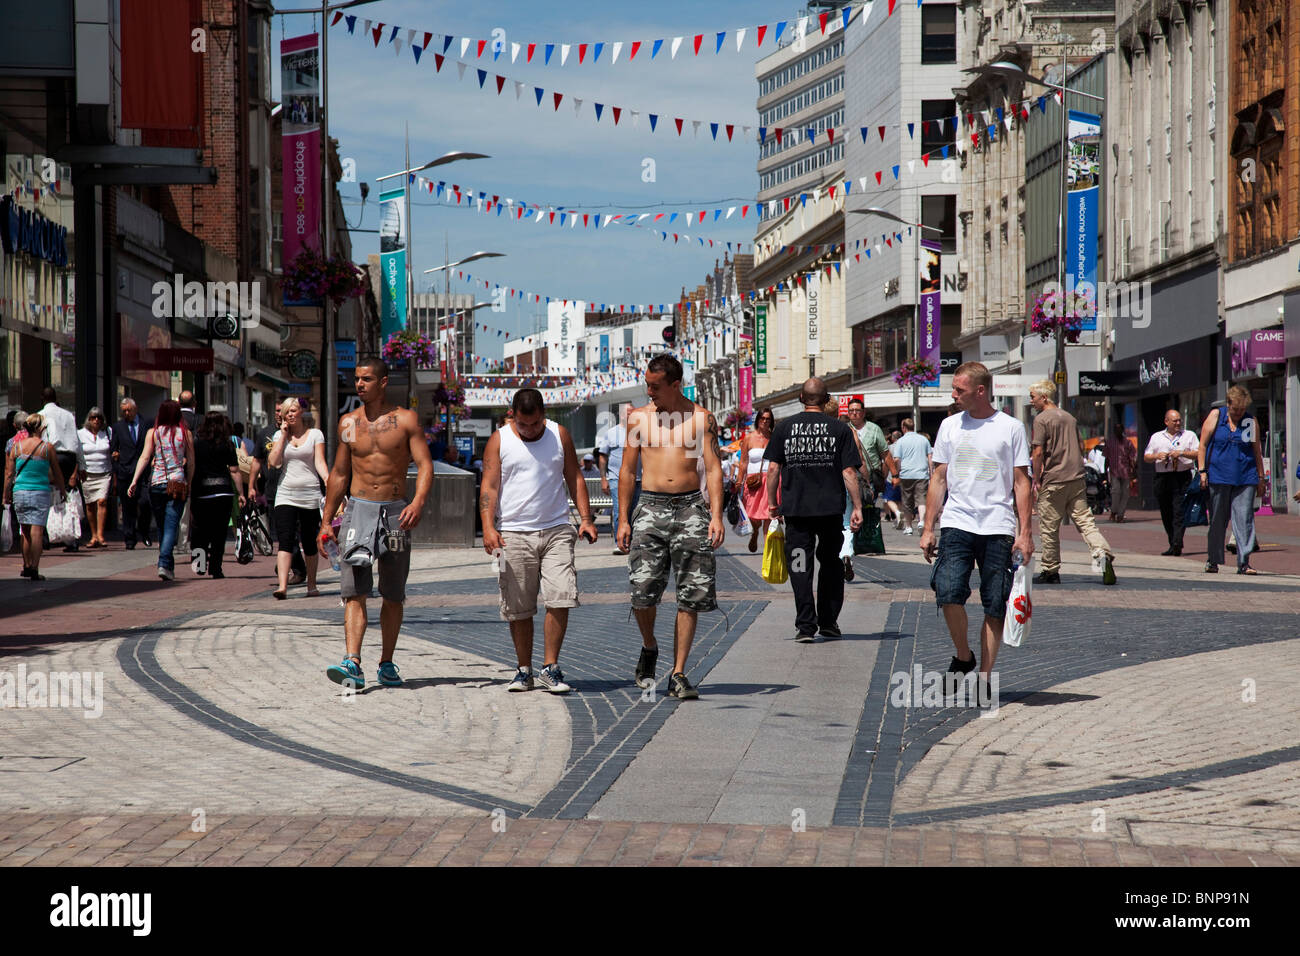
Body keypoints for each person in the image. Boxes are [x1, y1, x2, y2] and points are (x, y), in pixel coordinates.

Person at [919, 363, 1033, 700]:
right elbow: (939, 478)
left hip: (998, 525)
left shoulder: (1011, 428)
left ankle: (985, 678)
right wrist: (928, 527)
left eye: (959, 390)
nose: (953, 395)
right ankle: (964, 655)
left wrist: (1025, 533)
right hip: (957, 521)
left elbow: (1022, 482)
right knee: (948, 590)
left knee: (994, 602)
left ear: (980, 391)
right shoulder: (949, 426)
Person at [319, 359, 435, 689]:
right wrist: (327, 522)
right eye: (357, 379)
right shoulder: (349, 423)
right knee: (354, 590)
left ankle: (386, 662)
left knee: (393, 593)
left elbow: (425, 465)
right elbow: (339, 475)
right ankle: (353, 661)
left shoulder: (405, 420)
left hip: (396, 513)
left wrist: (417, 502)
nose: (360, 384)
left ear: (383, 382)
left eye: (367, 379)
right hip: (357, 513)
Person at [618, 354, 725, 699]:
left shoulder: (700, 419)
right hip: (650, 506)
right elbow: (627, 471)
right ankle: (650, 645)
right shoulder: (639, 419)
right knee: (642, 589)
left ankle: (678, 672)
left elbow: (712, 469)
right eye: (647, 384)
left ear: (676, 385)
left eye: (655, 386)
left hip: (691, 506)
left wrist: (717, 515)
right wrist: (623, 518)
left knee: (692, 591)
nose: (649, 392)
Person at [479, 388, 598, 694]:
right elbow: (489, 486)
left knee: (561, 595)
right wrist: (488, 528)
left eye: (535, 424)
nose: (530, 430)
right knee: (518, 606)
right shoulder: (499, 439)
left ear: (545, 416)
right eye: (523, 425)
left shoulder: (559, 435)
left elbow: (574, 476)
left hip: (557, 529)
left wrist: (585, 519)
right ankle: (523, 670)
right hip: (512, 534)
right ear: (513, 416)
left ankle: (550, 667)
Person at [763, 378, 863, 642]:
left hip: (796, 512)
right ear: (826, 398)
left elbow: (773, 469)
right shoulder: (839, 429)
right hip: (830, 511)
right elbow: (849, 471)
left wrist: (772, 502)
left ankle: (805, 626)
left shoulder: (784, 428)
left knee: (799, 567)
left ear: (800, 397)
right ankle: (828, 622)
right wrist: (858, 506)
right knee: (830, 564)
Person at [1028, 380, 1115, 585]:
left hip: (1054, 479)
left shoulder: (1041, 420)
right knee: (1086, 521)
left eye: (1033, 397)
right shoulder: (1069, 417)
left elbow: (1038, 451)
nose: (1031, 401)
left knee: (1049, 526)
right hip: (1076, 478)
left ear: (1044, 397)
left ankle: (1050, 570)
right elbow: (1079, 445)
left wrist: (1035, 478)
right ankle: (1101, 552)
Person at [1198, 385, 1266, 575]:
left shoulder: (1250, 421)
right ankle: (1213, 560)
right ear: (1228, 404)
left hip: (1246, 477)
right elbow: (1202, 445)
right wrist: (1202, 471)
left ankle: (1244, 562)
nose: (1239, 413)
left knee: (1244, 519)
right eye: (1235, 409)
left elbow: (1256, 451)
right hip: (1218, 476)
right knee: (1218, 521)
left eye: (1242, 410)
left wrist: (1261, 478)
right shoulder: (1216, 416)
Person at [267, 397, 329, 599]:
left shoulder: (315, 435)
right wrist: (283, 437)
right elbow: (274, 462)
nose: (291, 414)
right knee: (284, 541)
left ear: (301, 412)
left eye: (294, 410)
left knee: (310, 542)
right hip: (285, 495)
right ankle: (282, 586)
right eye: (287, 412)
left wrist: (328, 481)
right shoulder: (279, 435)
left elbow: (319, 462)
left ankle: (311, 585)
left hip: (310, 495)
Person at [127, 399, 194, 581]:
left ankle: (167, 566)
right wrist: (190, 483)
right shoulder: (186, 433)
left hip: (156, 484)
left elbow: (145, 457)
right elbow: (191, 463)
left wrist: (134, 480)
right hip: (177, 484)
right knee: (172, 526)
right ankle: (164, 563)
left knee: (163, 525)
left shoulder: (153, 433)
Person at [4, 412, 67, 580]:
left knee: (24, 530)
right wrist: (63, 490)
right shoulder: (47, 448)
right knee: (37, 531)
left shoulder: (16, 447)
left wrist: (5, 494)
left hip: (20, 492)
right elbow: (57, 472)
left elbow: (9, 474)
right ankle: (34, 568)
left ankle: (26, 565)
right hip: (40, 491)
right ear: (41, 428)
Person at [249, 405, 307, 583]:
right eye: (277, 410)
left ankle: (290, 563)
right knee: (283, 533)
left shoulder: (301, 432)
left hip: (299, 491)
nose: (280, 413)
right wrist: (251, 485)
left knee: (292, 534)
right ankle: (290, 563)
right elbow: (257, 460)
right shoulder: (265, 433)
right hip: (274, 491)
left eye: (285, 409)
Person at [190, 412, 245, 579]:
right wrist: (241, 493)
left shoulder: (197, 444)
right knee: (219, 533)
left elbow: (192, 467)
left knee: (200, 531)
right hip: (224, 493)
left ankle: (199, 565)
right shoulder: (227, 445)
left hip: (202, 493)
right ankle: (216, 568)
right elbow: (235, 471)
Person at [1143, 409, 1199, 554]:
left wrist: (1181, 453)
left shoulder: (1189, 435)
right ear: (1166, 422)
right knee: (1166, 512)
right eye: (1175, 421)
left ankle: (1177, 543)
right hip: (1163, 477)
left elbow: (1198, 453)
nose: (1178, 423)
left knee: (1179, 511)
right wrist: (1157, 456)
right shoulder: (1157, 437)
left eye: (1179, 420)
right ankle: (1172, 542)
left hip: (1182, 477)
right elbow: (1146, 457)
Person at [39, 387, 83, 552]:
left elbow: (44, 439)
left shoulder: (41, 415)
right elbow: (77, 441)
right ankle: (71, 539)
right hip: (69, 458)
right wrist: (81, 465)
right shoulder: (68, 415)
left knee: (48, 495)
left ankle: (45, 538)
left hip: (53, 456)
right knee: (67, 497)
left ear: (42, 398)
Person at [109, 398, 153, 549]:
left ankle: (144, 530)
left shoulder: (147, 423)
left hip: (144, 471)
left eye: (129, 410)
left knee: (145, 503)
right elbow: (113, 449)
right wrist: (117, 465)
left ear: (135, 409)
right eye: (124, 411)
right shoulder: (118, 427)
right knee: (128, 507)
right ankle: (129, 538)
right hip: (125, 472)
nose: (127, 413)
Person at [599, 406, 641, 555]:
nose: (630, 415)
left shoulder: (639, 432)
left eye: (632, 413)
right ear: (621, 415)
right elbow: (603, 457)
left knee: (636, 511)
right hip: (617, 479)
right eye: (628, 413)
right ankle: (621, 543)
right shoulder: (611, 433)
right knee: (619, 510)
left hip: (638, 479)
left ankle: (634, 543)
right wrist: (604, 478)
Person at [738, 406, 776, 553]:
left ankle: (767, 550)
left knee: (769, 516)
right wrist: (739, 481)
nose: (765, 421)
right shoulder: (749, 438)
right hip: (753, 482)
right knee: (753, 517)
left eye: (768, 419)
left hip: (771, 481)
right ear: (758, 419)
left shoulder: (774, 437)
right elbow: (743, 462)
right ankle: (754, 533)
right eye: (762, 418)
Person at [77, 407, 113, 548]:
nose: (96, 420)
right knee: (90, 505)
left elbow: (114, 448)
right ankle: (93, 535)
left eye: (99, 417)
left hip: (104, 473)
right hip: (87, 474)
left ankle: (100, 534)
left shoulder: (108, 432)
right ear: (89, 420)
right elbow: (77, 453)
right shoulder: (80, 434)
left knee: (102, 501)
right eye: (93, 418)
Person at [894, 418, 933, 535]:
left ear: (903, 428)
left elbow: (896, 459)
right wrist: (931, 473)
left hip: (906, 474)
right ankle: (921, 521)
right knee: (922, 499)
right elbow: (930, 457)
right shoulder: (923, 440)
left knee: (907, 501)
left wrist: (897, 472)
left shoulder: (900, 441)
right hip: (921, 473)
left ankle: (909, 527)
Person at [1104, 422, 1138, 523]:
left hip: (1125, 471)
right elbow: (1106, 458)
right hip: (1114, 471)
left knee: (1125, 494)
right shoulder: (1109, 442)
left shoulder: (1128, 443)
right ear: (1114, 431)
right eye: (1116, 429)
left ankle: (1120, 515)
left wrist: (1134, 470)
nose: (1118, 431)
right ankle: (1114, 511)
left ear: (1123, 430)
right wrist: (1105, 471)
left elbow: (1132, 458)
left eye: (1120, 429)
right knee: (1116, 492)